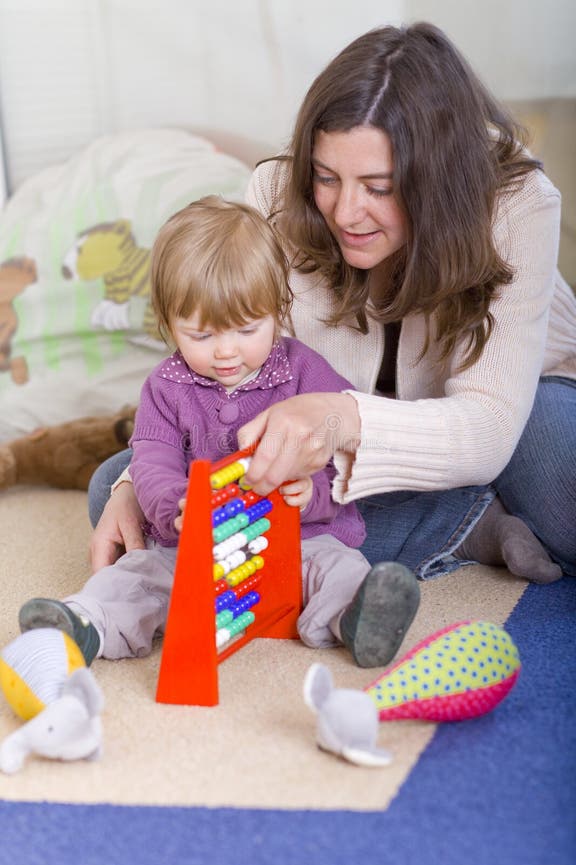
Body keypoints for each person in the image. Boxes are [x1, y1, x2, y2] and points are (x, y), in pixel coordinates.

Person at [89, 22, 575, 587]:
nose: (345, 213)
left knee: (564, 506)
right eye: (326, 178)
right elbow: (236, 370)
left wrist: (338, 417)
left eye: (379, 187)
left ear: (440, 180)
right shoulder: (277, 192)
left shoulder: (515, 204)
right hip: (337, 447)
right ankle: (468, 523)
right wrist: (134, 485)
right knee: (116, 495)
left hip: (518, 406)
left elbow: (488, 427)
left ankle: (464, 512)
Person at [18, 196, 421, 669]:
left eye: (247, 330)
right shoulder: (165, 387)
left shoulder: (305, 372)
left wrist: (311, 493)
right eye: (202, 336)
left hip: (299, 541)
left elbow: (346, 455)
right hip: (195, 549)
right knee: (136, 573)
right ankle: (86, 624)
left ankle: (354, 618)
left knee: (341, 566)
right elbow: (152, 460)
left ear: (278, 309)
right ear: (168, 323)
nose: (226, 351)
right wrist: (176, 510)